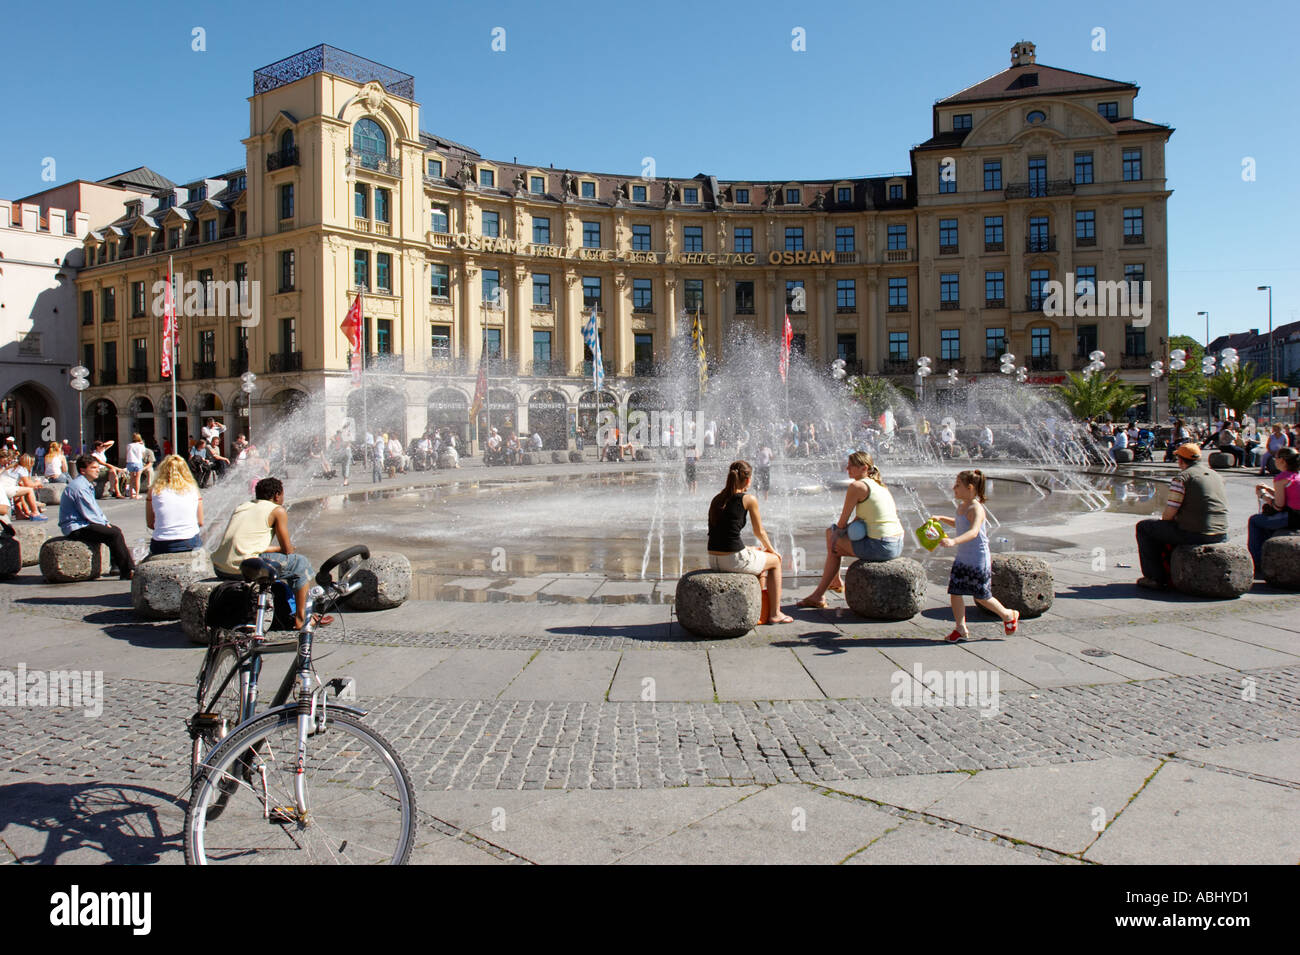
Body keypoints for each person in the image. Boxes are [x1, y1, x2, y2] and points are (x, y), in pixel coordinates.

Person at [212, 477, 327, 630]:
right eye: (283, 494)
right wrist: (285, 550)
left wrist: (274, 550)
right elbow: (287, 549)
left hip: (221, 567)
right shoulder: (277, 510)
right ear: (277, 495)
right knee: (300, 563)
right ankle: (301, 618)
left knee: (283, 563)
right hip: (246, 567)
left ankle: (290, 607)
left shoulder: (243, 506)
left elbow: (247, 544)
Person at [798, 451, 904, 608]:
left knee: (833, 541)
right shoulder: (879, 485)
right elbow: (860, 519)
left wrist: (837, 535)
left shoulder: (857, 486)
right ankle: (834, 581)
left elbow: (842, 523)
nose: (847, 468)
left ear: (864, 468)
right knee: (832, 535)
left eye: (851, 466)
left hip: (882, 547)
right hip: (897, 543)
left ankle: (819, 595)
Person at [936, 470, 1020, 641]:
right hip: (963, 558)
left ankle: (1008, 614)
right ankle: (960, 628)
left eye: (958, 485)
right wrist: (941, 518)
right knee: (955, 591)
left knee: (981, 596)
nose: (954, 488)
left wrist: (953, 541)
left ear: (970, 487)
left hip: (977, 558)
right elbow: (960, 523)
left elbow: (974, 532)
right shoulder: (962, 506)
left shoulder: (976, 508)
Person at [706, 460, 793, 624]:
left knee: (758, 555)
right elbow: (759, 531)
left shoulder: (717, 498)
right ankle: (775, 613)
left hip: (713, 558)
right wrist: (773, 551)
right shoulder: (748, 499)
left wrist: (748, 548)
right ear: (748, 480)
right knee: (775, 562)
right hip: (731, 560)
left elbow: (720, 533)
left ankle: (758, 610)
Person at [1135, 444, 1229, 590]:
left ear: (1180, 460)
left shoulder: (1182, 478)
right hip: (1222, 533)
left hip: (1196, 533)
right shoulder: (1216, 475)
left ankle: (1154, 577)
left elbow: (1169, 514)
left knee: (1145, 528)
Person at [58, 455, 136, 579]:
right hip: (75, 527)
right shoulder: (79, 487)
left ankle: (116, 566)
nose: (97, 470)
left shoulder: (85, 484)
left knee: (114, 531)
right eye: (93, 468)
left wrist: (105, 522)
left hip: (83, 522)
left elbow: (94, 509)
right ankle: (127, 570)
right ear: (83, 470)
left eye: (97, 467)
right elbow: (89, 511)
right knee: (113, 533)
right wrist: (103, 523)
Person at [1247, 446, 1300, 575]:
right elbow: (1289, 496)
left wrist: (1263, 495)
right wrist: (1270, 490)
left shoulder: (1281, 478)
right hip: (1296, 515)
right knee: (1264, 523)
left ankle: (1257, 562)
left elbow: (1278, 506)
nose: (1274, 460)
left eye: (1276, 458)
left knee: (1254, 521)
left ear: (1282, 460)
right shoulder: (1295, 476)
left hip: (1291, 518)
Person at [146, 454, 204, 555]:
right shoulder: (193, 489)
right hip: (188, 541)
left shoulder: (153, 490)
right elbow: (200, 522)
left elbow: (150, 524)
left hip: (161, 543)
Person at [125, 432, 148, 498]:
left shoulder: (129, 445)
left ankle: (131, 494)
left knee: (131, 478)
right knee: (138, 479)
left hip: (130, 462)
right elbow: (143, 454)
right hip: (138, 462)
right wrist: (142, 444)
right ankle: (137, 494)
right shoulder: (141, 446)